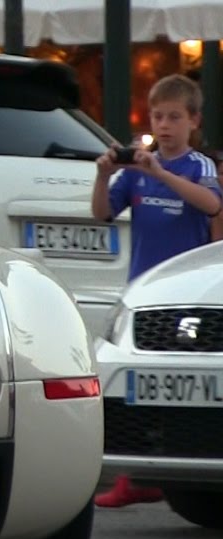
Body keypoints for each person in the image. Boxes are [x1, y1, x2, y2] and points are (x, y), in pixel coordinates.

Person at [91, 73, 223, 508]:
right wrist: (104, 175)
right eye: (157, 116)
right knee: (144, 383)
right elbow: (102, 214)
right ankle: (139, 473)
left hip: (187, 294)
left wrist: (161, 173)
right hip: (143, 288)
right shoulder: (136, 171)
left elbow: (211, 205)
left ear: (193, 122)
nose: (164, 126)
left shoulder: (195, 166)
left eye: (174, 117)